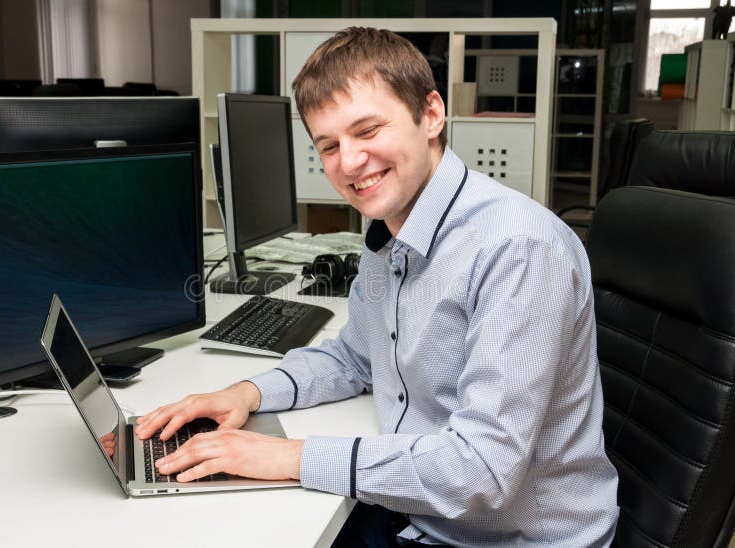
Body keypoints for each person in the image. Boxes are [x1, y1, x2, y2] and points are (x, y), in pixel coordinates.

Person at [135, 27, 619, 546]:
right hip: (419, 514)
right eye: (329, 146)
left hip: (504, 538)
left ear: (431, 114)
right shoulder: (391, 229)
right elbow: (355, 358)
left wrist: (289, 457)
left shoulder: (517, 250)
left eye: (367, 130)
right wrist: (246, 394)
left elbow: (481, 471)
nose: (348, 163)